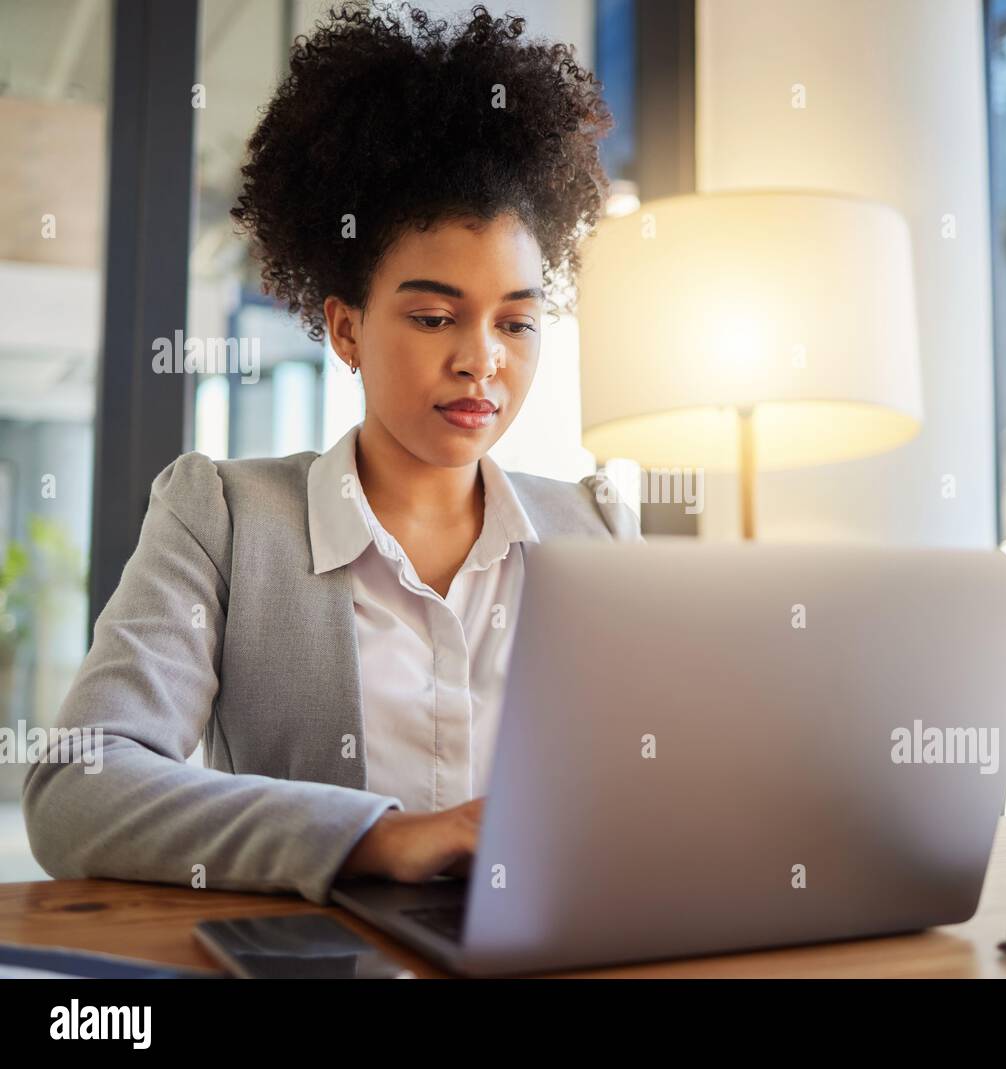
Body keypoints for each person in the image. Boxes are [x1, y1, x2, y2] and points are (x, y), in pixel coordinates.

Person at [23, 2, 641, 905]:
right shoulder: (225, 520)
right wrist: (376, 839)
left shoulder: (594, 532)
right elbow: (76, 789)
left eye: (516, 321)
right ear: (345, 328)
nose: (482, 359)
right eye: (435, 317)